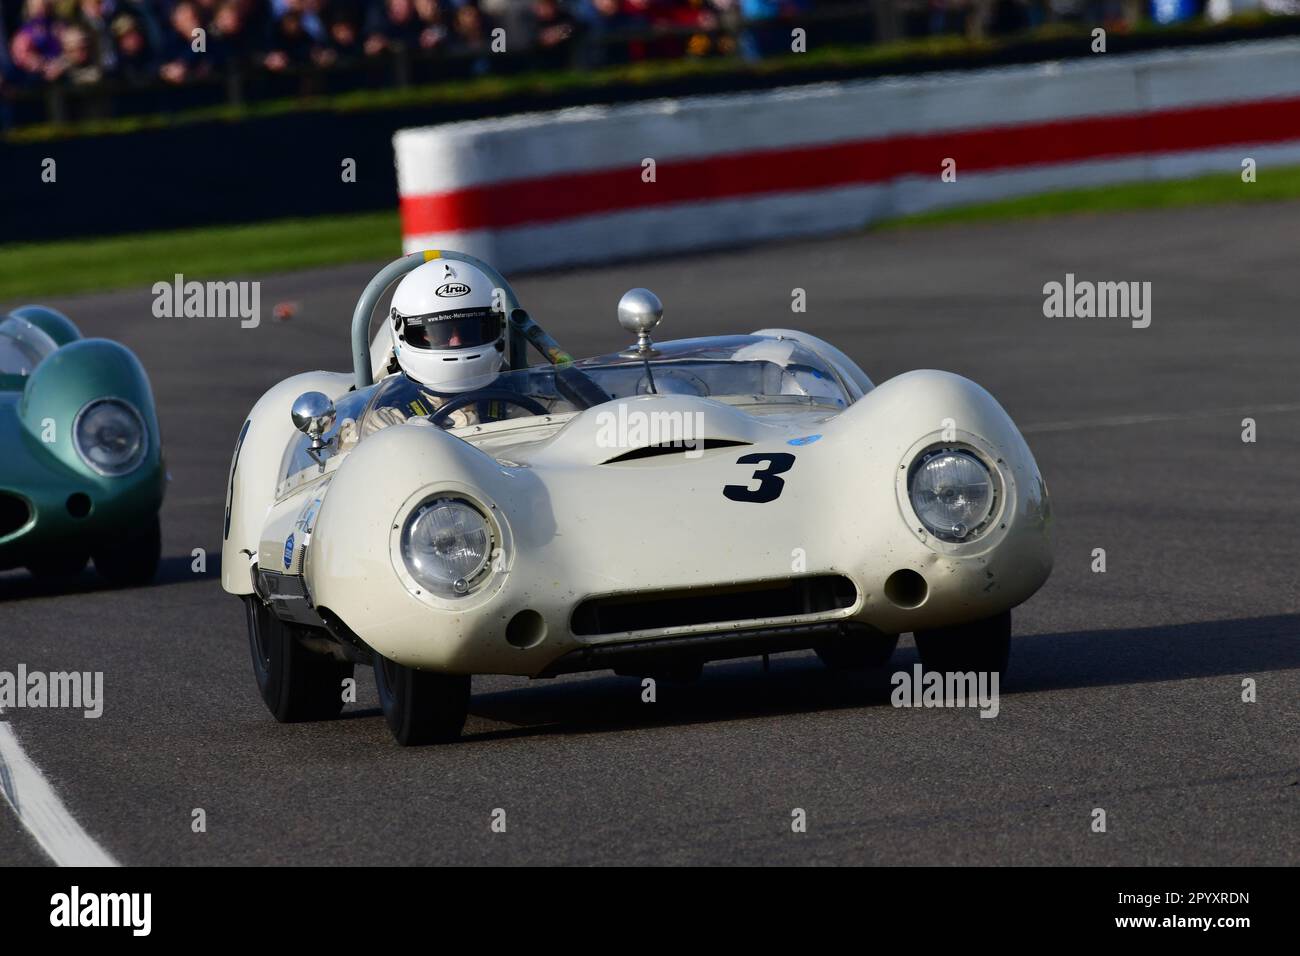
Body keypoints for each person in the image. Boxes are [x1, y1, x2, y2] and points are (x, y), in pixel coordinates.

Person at [358, 258, 516, 436]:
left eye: (470, 330)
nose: (456, 342)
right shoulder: (384, 420)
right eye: (439, 334)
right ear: (403, 332)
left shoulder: (522, 397)